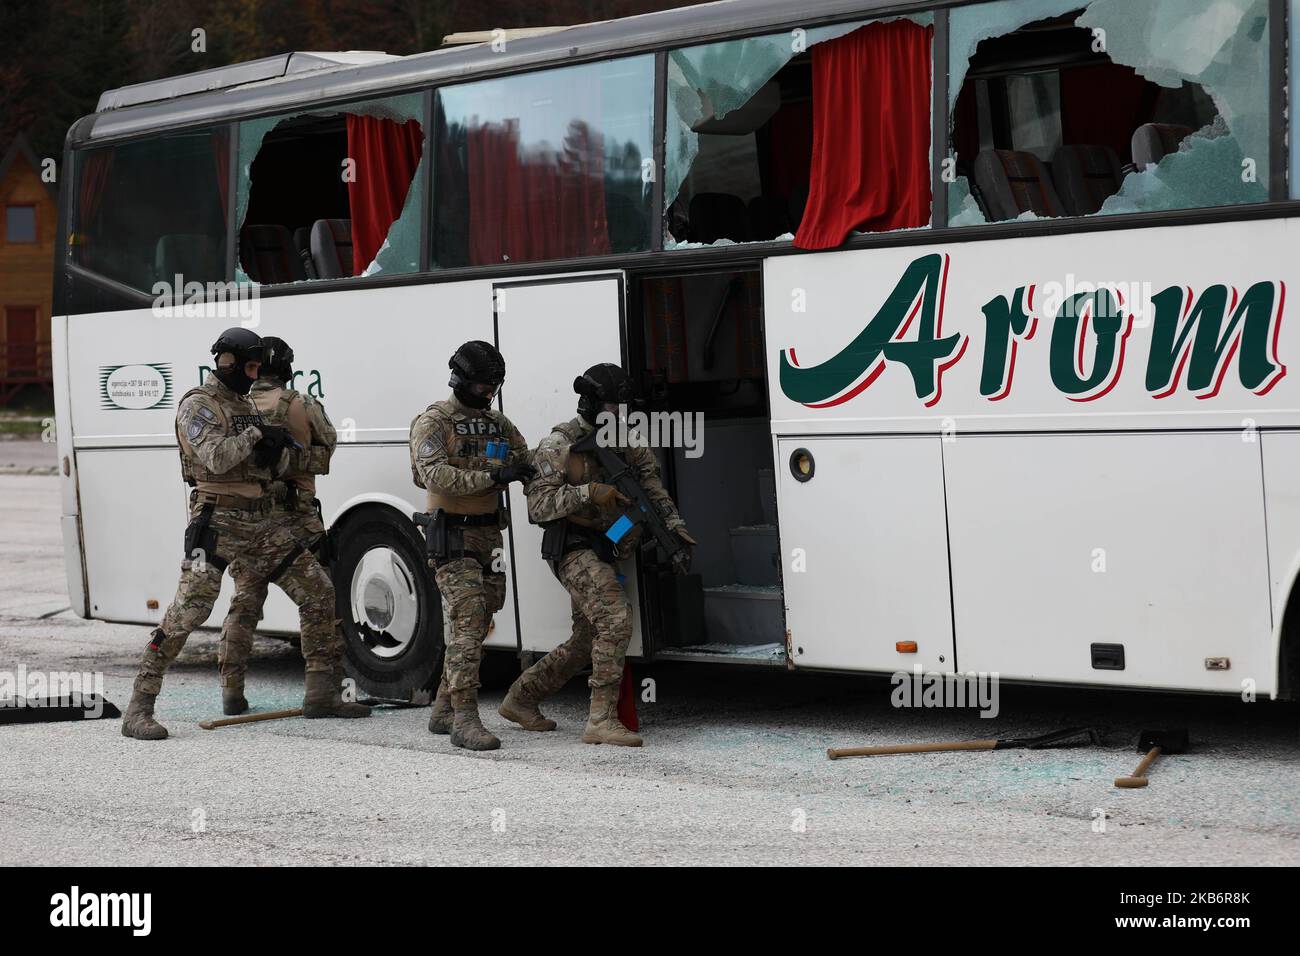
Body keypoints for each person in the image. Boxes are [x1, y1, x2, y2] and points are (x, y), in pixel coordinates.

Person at [121, 328, 363, 740]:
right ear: (227, 361)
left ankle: (321, 693)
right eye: (249, 366)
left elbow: (263, 465)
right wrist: (257, 435)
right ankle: (139, 707)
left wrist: (280, 452)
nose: (255, 375)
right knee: (188, 613)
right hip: (217, 522)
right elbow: (215, 458)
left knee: (319, 592)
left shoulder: (245, 403)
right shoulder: (199, 404)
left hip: (262, 523)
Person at [499, 363, 695, 747]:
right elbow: (538, 507)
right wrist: (589, 492)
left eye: (621, 407)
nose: (618, 414)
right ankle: (600, 721)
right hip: (572, 545)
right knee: (615, 618)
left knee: (587, 638)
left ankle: (521, 698)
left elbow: (650, 492)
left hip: (609, 541)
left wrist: (672, 525)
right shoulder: (561, 444)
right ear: (590, 403)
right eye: (611, 407)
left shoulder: (628, 441)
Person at [216, 336, 366, 719]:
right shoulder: (301, 403)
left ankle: (232, 691)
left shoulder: (241, 406)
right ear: (286, 367)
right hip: (298, 517)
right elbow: (327, 448)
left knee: (246, 600)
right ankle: (322, 691)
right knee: (320, 597)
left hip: (255, 519)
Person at [409, 341, 534, 751]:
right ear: (460, 380)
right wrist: (495, 478)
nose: (488, 394)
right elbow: (435, 477)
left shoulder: (497, 423)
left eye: (493, 387)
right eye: (482, 386)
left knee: (482, 619)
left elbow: (525, 458)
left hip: (488, 536)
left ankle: (443, 707)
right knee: (468, 619)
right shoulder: (434, 422)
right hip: (452, 534)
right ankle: (465, 719)